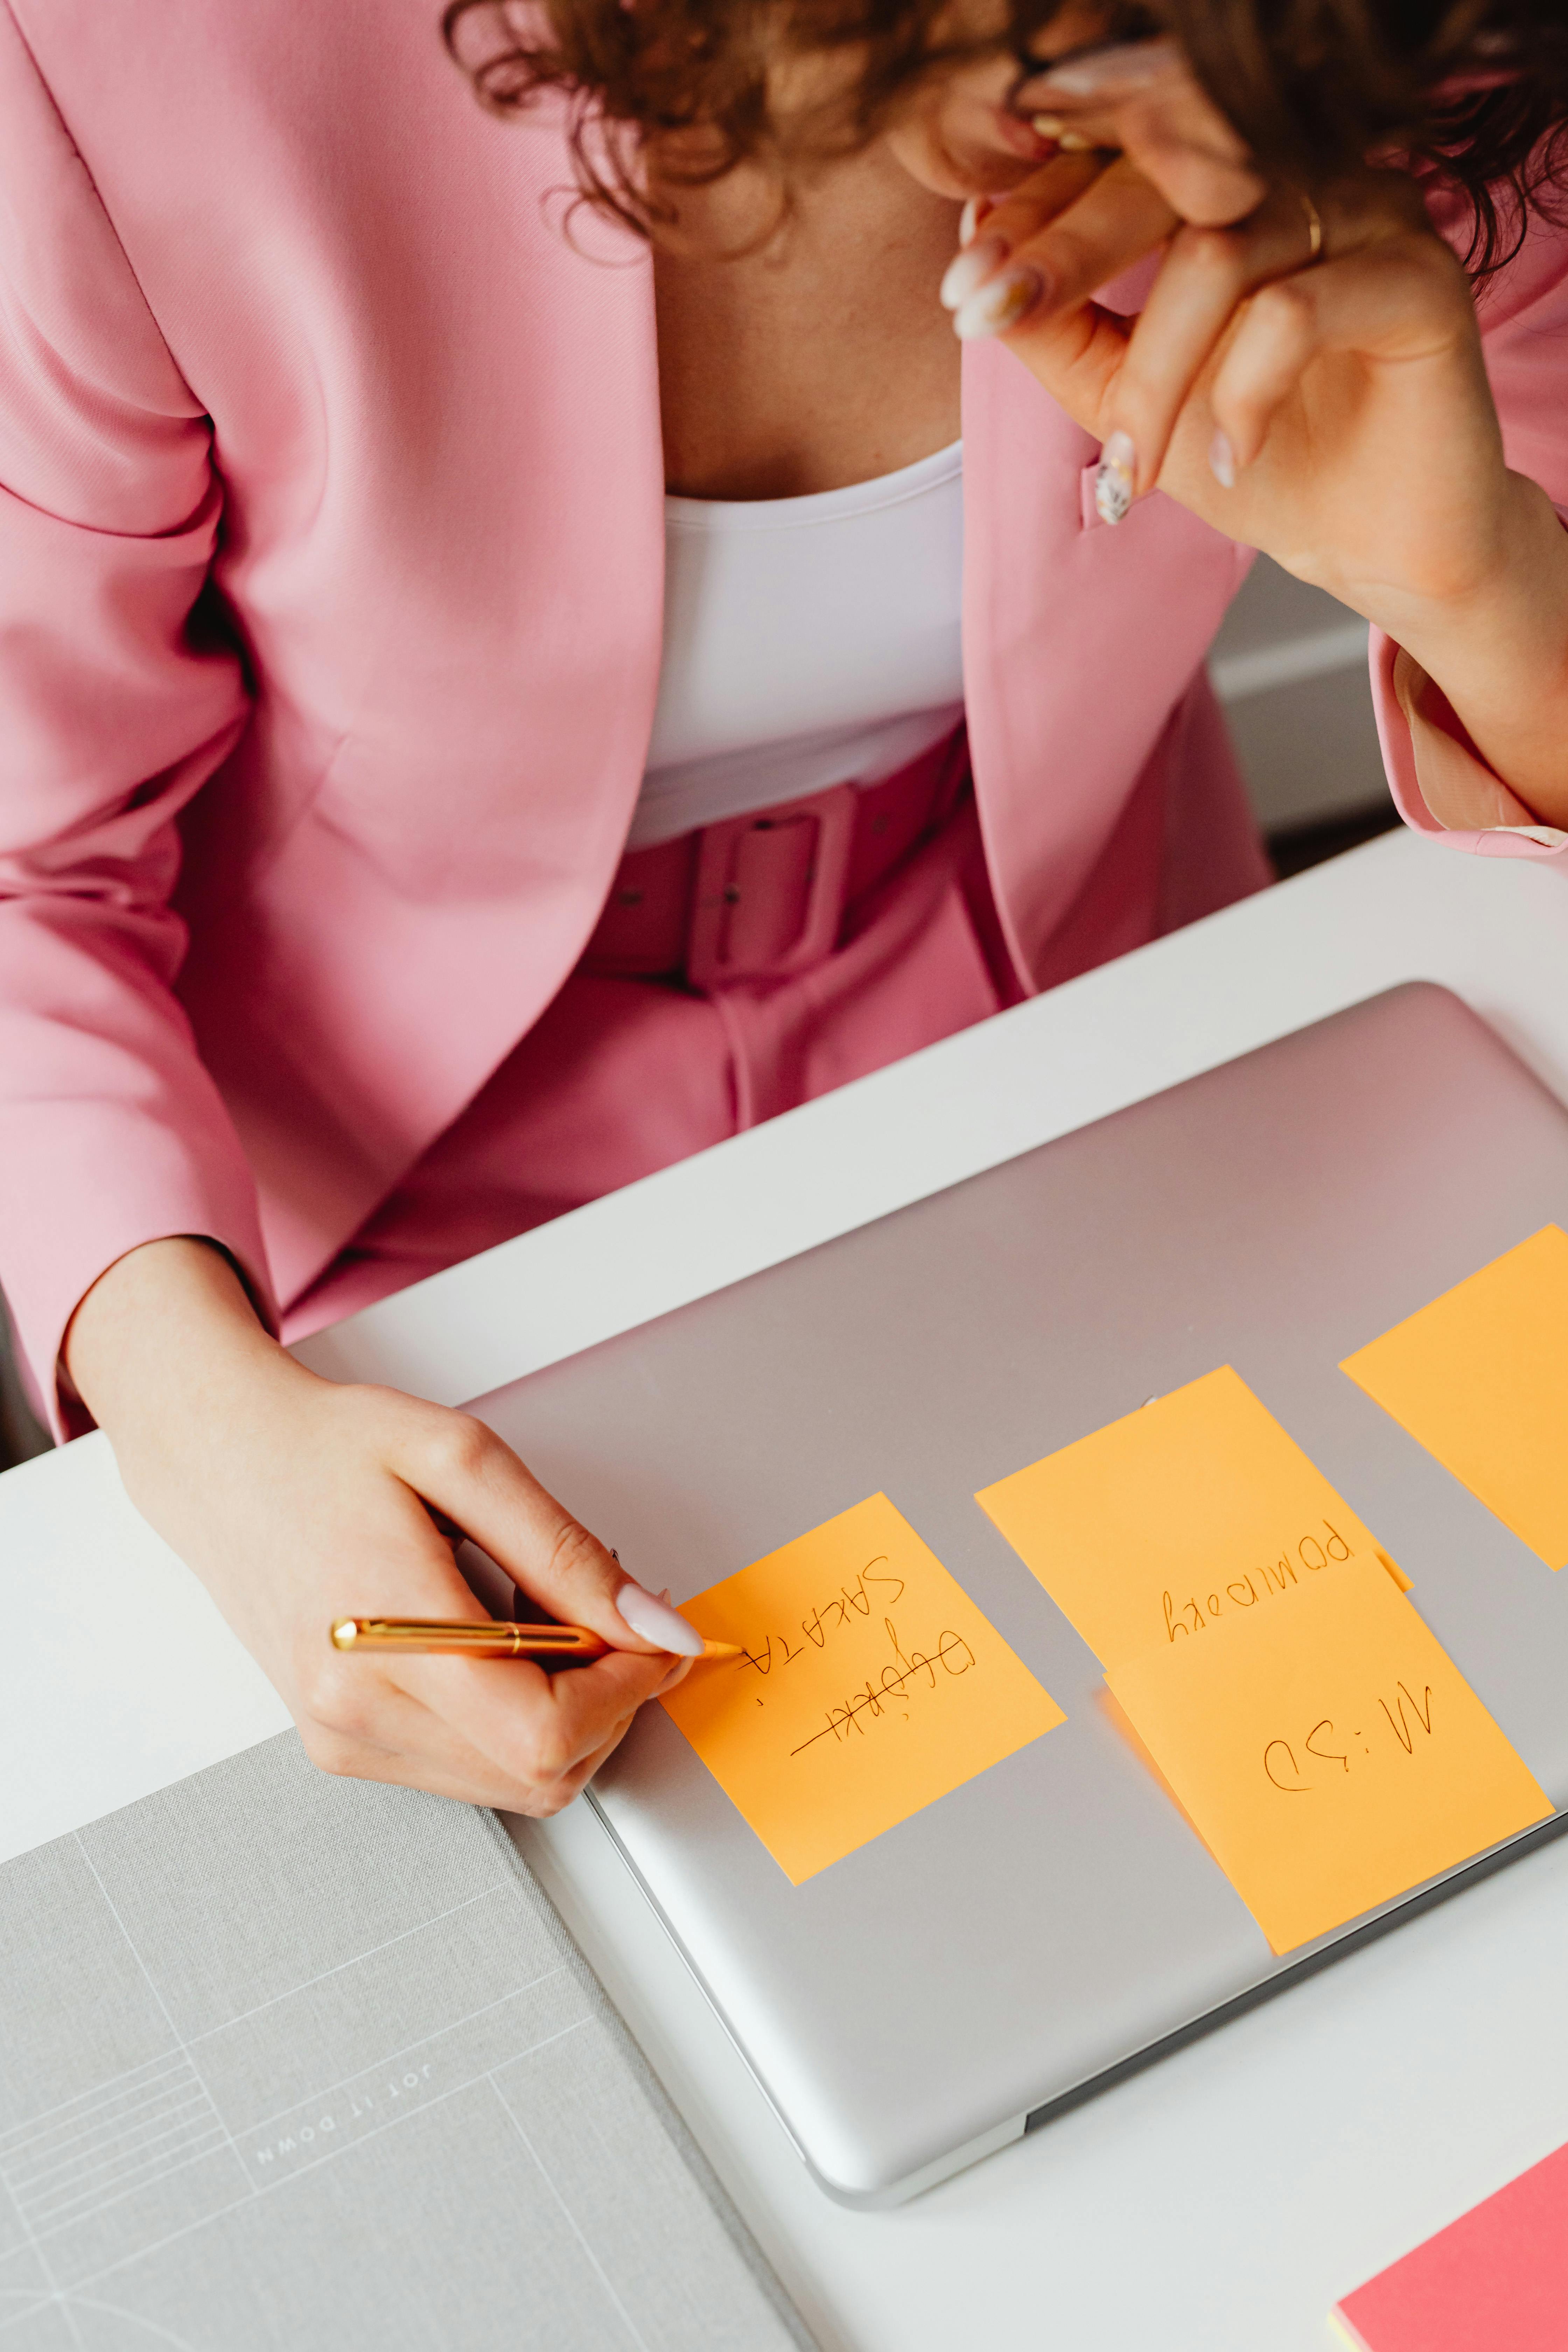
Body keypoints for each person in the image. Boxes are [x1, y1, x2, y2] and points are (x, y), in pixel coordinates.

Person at [1, 0, 1564, 1815]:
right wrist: (206, 1436)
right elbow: (31, 859)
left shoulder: (1356, 33)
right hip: (368, 1217)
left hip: (1110, 1035)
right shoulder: (128, 49)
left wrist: (1489, 591)